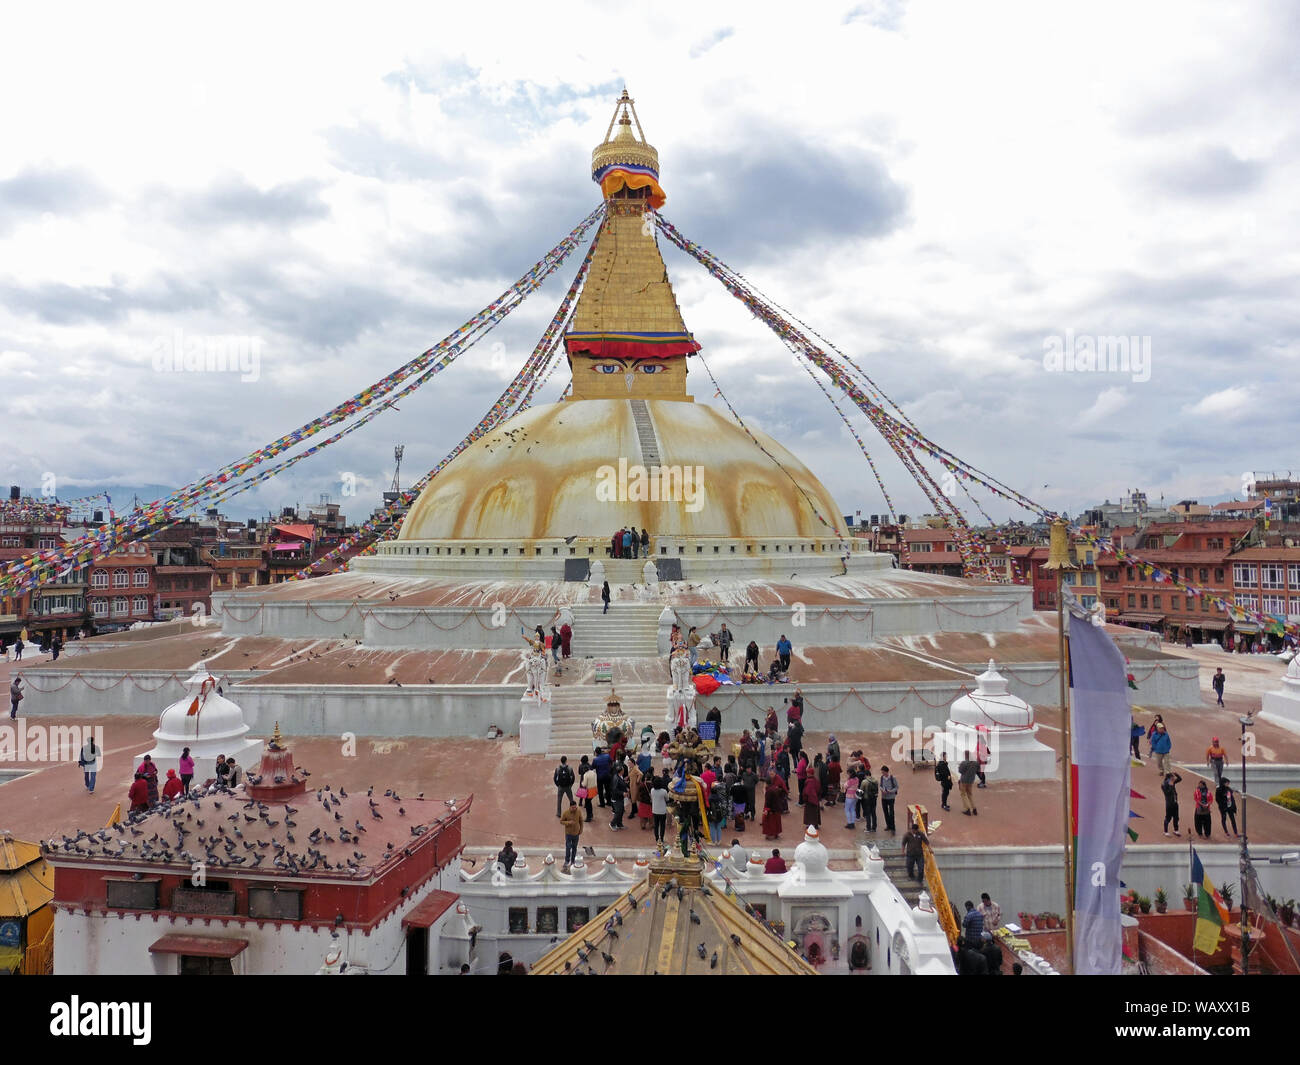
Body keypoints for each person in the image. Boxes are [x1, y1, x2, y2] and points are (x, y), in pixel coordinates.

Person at [561, 798, 583, 869]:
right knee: (568, 847)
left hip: (576, 833)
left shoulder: (578, 811)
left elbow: (581, 821)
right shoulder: (566, 813)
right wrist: (568, 823)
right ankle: (567, 861)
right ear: (570, 807)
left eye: (575, 807)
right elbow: (561, 821)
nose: (574, 808)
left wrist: (581, 829)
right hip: (568, 834)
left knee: (574, 848)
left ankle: (573, 861)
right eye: (573, 807)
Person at [957, 750, 979, 815]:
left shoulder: (964, 763)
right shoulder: (976, 763)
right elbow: (978, 770)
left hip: (963, 781)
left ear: (966, 755)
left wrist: (959, 766)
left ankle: (967, 809)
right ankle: (974, 808)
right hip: (971, 781)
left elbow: (960, 771)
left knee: (963, 794)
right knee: (970, 795)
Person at [1161, 771, 1182, 836]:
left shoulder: (1172, 782)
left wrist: (1176, 773)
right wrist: (1170, 786)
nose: (1174, 778)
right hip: (1169, 803)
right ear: (1169, 778)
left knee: (1176, 817)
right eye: (1173, 777)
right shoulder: (1164, 784)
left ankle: (1176, 830)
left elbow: (1180, 779)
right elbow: (1167, 793)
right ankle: (1165, 831)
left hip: (1175, 802)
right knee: (1168, 817)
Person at [880, 767, 899, 833]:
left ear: (886, 772)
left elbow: (896, 787)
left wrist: (890, 791)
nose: (882, 773)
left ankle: (893, 828)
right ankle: (888, 825)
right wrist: (882, 790)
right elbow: (880, 786)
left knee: (891, 813)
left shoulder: (892, 778)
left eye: (883, 772)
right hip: (884, 797)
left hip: (891, 798)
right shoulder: (882, 778)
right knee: (885, 812)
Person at [650, 775, 669, 843]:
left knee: (656, 825)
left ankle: (657, 838)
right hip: (662, 811)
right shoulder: (664, 791)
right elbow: (667, 799)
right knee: (662, 825)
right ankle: (662, 838)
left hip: (655, 810)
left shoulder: (652, 790)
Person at [609, 765, 628, 830]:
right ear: (621, 771)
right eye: (623, 769)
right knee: (618, 811)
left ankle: (619, 824)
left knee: (621, 810)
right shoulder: (616, 778)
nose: (624, 770)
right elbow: (615, 789)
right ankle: (612, 823)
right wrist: (622, 793)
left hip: (620, 798)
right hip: (617, 798)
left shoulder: (619, 777)